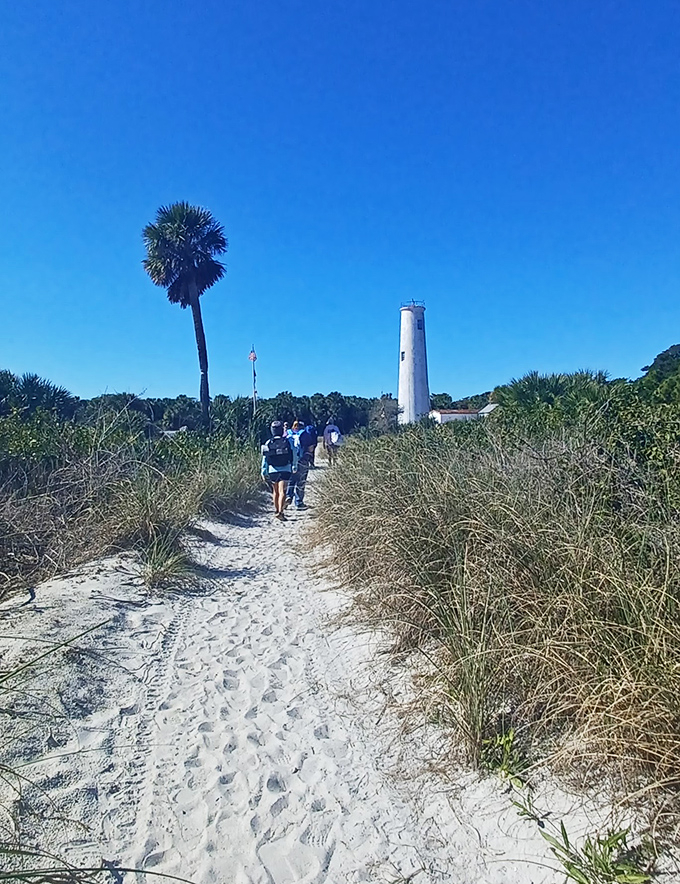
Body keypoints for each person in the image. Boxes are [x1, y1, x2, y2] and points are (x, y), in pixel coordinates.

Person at [261, 421, 298, 520]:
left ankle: (276, 510)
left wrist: (264, 471)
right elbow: (294, 453)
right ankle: (281, 512)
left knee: (275, 491)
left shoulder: (268, 442)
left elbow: (265, 458)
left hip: (272, 470)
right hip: (285, 469)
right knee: (283, 491)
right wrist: (294, 466)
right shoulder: (288, 441)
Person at [285, 423, 317, 509]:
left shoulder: (287, 433)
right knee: (301, 481)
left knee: (291, 480)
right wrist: (309, 457)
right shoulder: (305, 434)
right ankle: (299, 502)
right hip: (302, 460)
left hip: (290, 462)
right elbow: (311, 448)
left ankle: (288, 497)